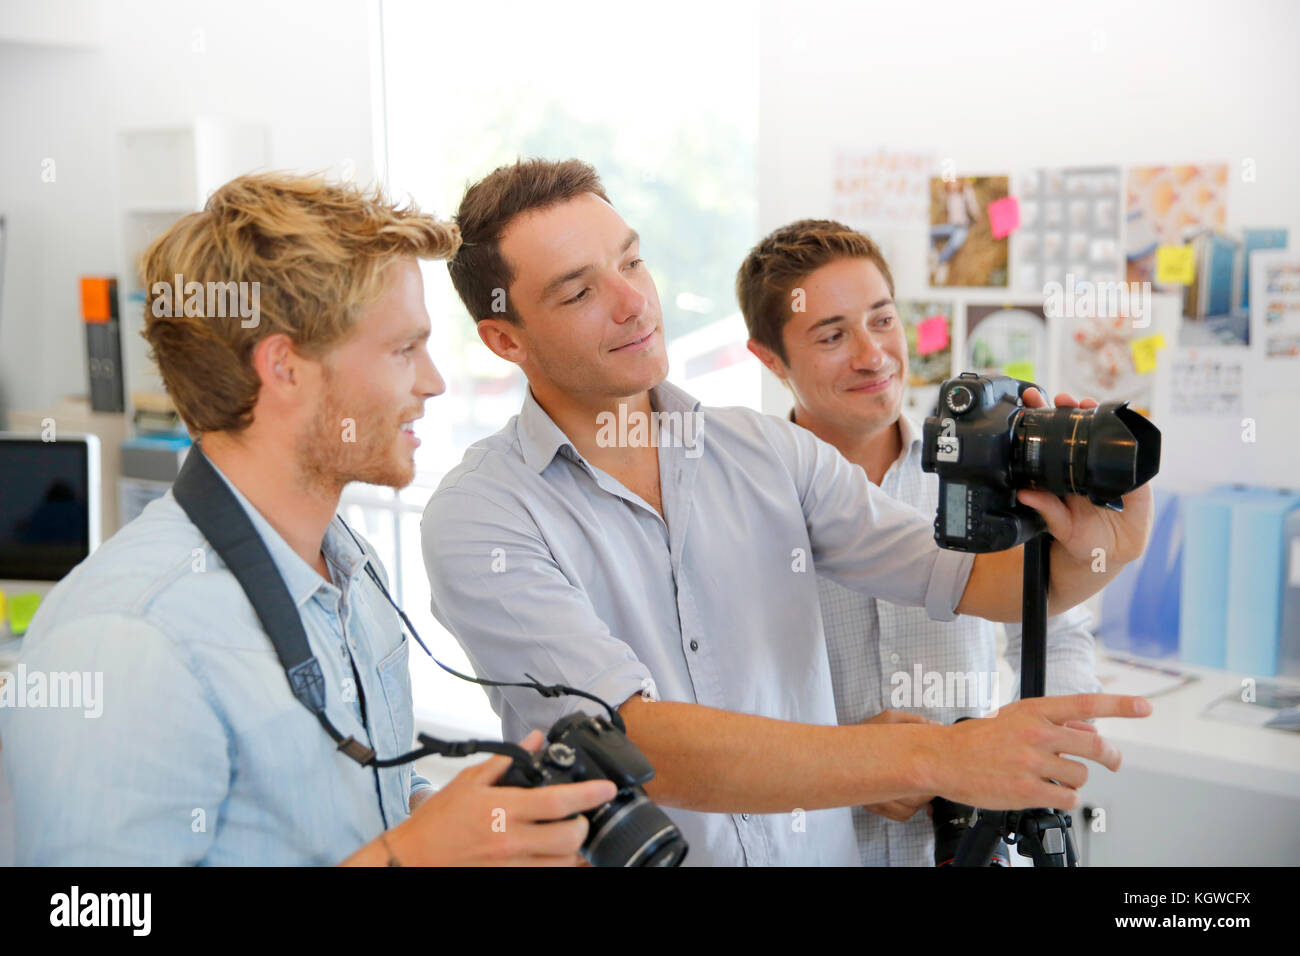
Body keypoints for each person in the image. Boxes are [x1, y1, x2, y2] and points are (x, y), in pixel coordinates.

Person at [421, 157, 1154, 867]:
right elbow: (635, 742)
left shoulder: (766, 453)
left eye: (633, 262)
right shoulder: (482, 516)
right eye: (579, 292)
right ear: (504, 338)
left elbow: (968, 581)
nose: (634, 302)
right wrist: (938, 757)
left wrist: (1104, 548)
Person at [0, 172, 614, 866]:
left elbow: (362, 802)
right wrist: (408, 859)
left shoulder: (347, 566)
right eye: (403, 349)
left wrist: (465, 827)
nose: (432, 381)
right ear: (285, 369)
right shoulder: (126, 637)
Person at [738, 218, 1102, 865]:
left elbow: (1058, 633)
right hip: (815, 842)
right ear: (769, 358)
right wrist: (849, 759)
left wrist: (1029, 743)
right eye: (832, 334)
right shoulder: (744, 503)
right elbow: (717, 691)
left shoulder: (987, 469)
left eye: (881, 320)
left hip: (973, 841)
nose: (872, 355)